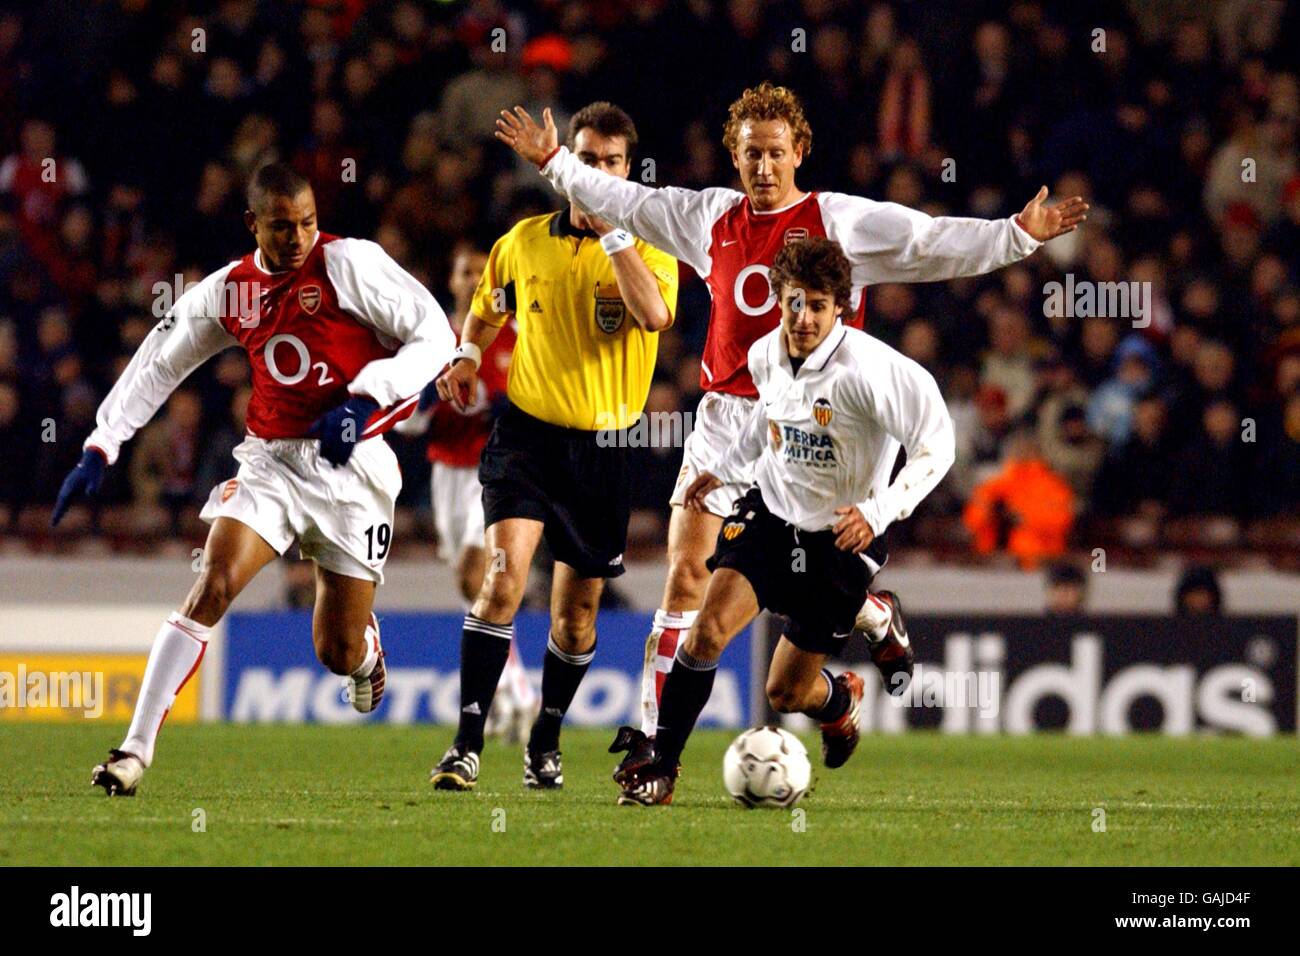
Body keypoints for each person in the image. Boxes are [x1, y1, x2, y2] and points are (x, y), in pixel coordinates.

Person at [494, 82, 1086, 773]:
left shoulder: (838, 220)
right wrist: (555, 163)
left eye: (776, 152)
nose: (764, 167)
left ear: (799, 151)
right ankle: (656, 742)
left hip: (815, 425)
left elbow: (928, 242)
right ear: (735, 157)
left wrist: (1015, 235)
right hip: (729, 418)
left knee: (806, 583)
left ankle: (866, 615)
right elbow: (626, 201)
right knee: (686, 576)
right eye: (751, 154)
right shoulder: (709, 216)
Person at [52, 162, 455, 795]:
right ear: (252, 224)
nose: (297, 238)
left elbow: (435, 337)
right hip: (270, 462)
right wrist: (103, 444)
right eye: (282, 227)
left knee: (336, 651)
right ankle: (132, 752)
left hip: (353, 468)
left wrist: (365, 398)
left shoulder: (350, 264)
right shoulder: (231, 291)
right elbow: (160, 361)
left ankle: (365, 654)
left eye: (307, 223)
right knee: (212, 583)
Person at [615, 237, 955, 806]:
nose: (803, 318)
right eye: (794, 302)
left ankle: (839, 697)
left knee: (786, 692)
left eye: (817, 305)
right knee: (706, 632)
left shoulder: (874, 371)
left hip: (843, 537)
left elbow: (937, 447)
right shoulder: (765, 353)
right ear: (778, 299)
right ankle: (663, 768)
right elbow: (764, 419)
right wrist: (723, 468)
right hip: (771, 515)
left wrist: (878, 511)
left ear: (841, 307)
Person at [428, 102, 678, 791]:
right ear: (567, 163)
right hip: (528, 438)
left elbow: (654, 314)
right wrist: (467, 355)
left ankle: (546, 736)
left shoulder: (650, 244)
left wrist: (615, 233)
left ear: (628, 171)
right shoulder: (522, 242)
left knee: (575, 616)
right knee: (501, 582)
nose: (597, 171)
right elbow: (486, 309)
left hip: (605, 448)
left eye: (611, 163)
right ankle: (466, 745)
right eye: (586, 159)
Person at [395, 241, 537, 743]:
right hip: (446, 474)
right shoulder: (432, 341)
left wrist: (505, 407)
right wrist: (428, 401)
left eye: (482, 272)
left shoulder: (517, 335)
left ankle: (518, 691)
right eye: (465, 272)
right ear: (452, 281)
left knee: (478, 575)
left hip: (496, 470)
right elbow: (405, 422)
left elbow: (534, 404)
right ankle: (500, 691)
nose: (475, 280)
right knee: (471, 588)